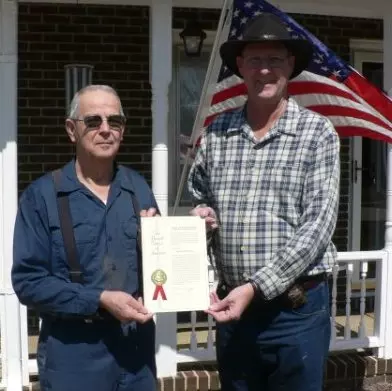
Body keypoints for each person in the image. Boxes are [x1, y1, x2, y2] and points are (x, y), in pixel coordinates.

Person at [188, 13, 340, 391]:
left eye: (275, 59)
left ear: (291, 65)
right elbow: (201, 199)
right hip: (234, 311)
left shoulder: (317, 133)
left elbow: (317, 227)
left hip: (296, 310)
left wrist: (256, 287)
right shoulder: (216, 132)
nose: (265, 70)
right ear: (240, 66)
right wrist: (201, 221)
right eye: (255, 59)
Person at [12, 85, 159, 391]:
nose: (105, 130)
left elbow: (160, 265)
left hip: (135, 352)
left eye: (114, 121)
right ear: (72, 130)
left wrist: (173, 244)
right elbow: (29, 282)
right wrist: (99, 299)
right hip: (74, 354)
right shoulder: (42, 197)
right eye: (93, 121)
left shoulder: (138, 188)